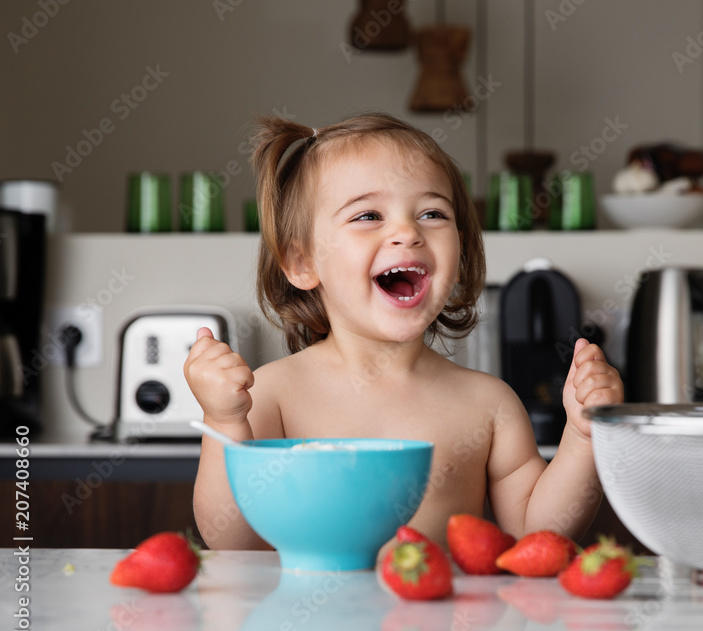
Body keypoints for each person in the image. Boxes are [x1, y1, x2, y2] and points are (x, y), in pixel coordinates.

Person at [184, 112, 623, 552]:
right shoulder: (271, 395)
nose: (407, 232)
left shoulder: (489, 405)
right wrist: (224, 421)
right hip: (308, 621)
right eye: (368, 215)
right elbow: (233, 544)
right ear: (302, 262)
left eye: (432, 212)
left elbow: (535, 537)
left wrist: (582, 437)